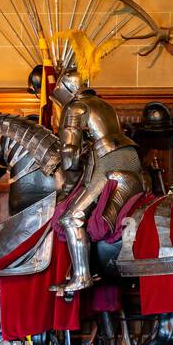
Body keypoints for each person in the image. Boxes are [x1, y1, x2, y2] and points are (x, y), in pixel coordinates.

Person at [48, 70, 148, 294]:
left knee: (71, 218)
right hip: (130, 159)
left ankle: (81, 276)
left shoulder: (75, 107)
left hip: (108, 164)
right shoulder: (103, 104)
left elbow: (69, 152)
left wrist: (68, 185)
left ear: (68, 89)